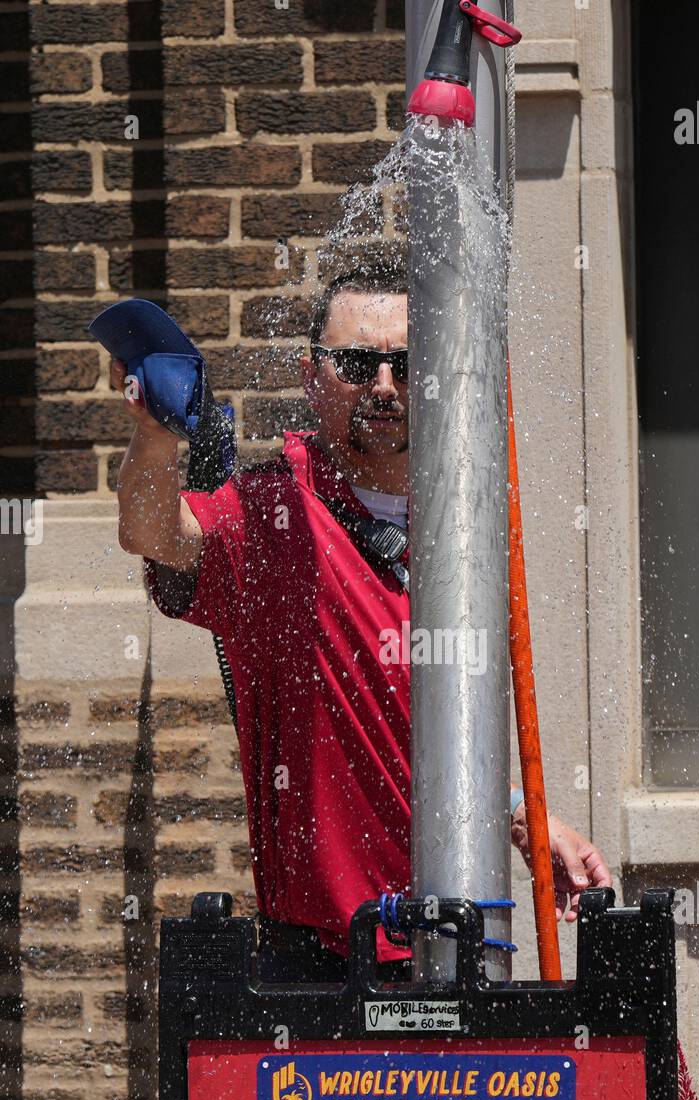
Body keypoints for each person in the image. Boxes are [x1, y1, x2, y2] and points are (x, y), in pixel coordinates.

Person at [114, 264, 612, 981]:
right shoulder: (271, 511)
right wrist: (157, 435)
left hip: (461, 949)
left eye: (407, 365)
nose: (384, 385)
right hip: (324, 966)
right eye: (356, 363)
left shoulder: (465, 530)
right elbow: (151, 532)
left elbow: (411, 732)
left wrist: (524, 818)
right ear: (313, 378)